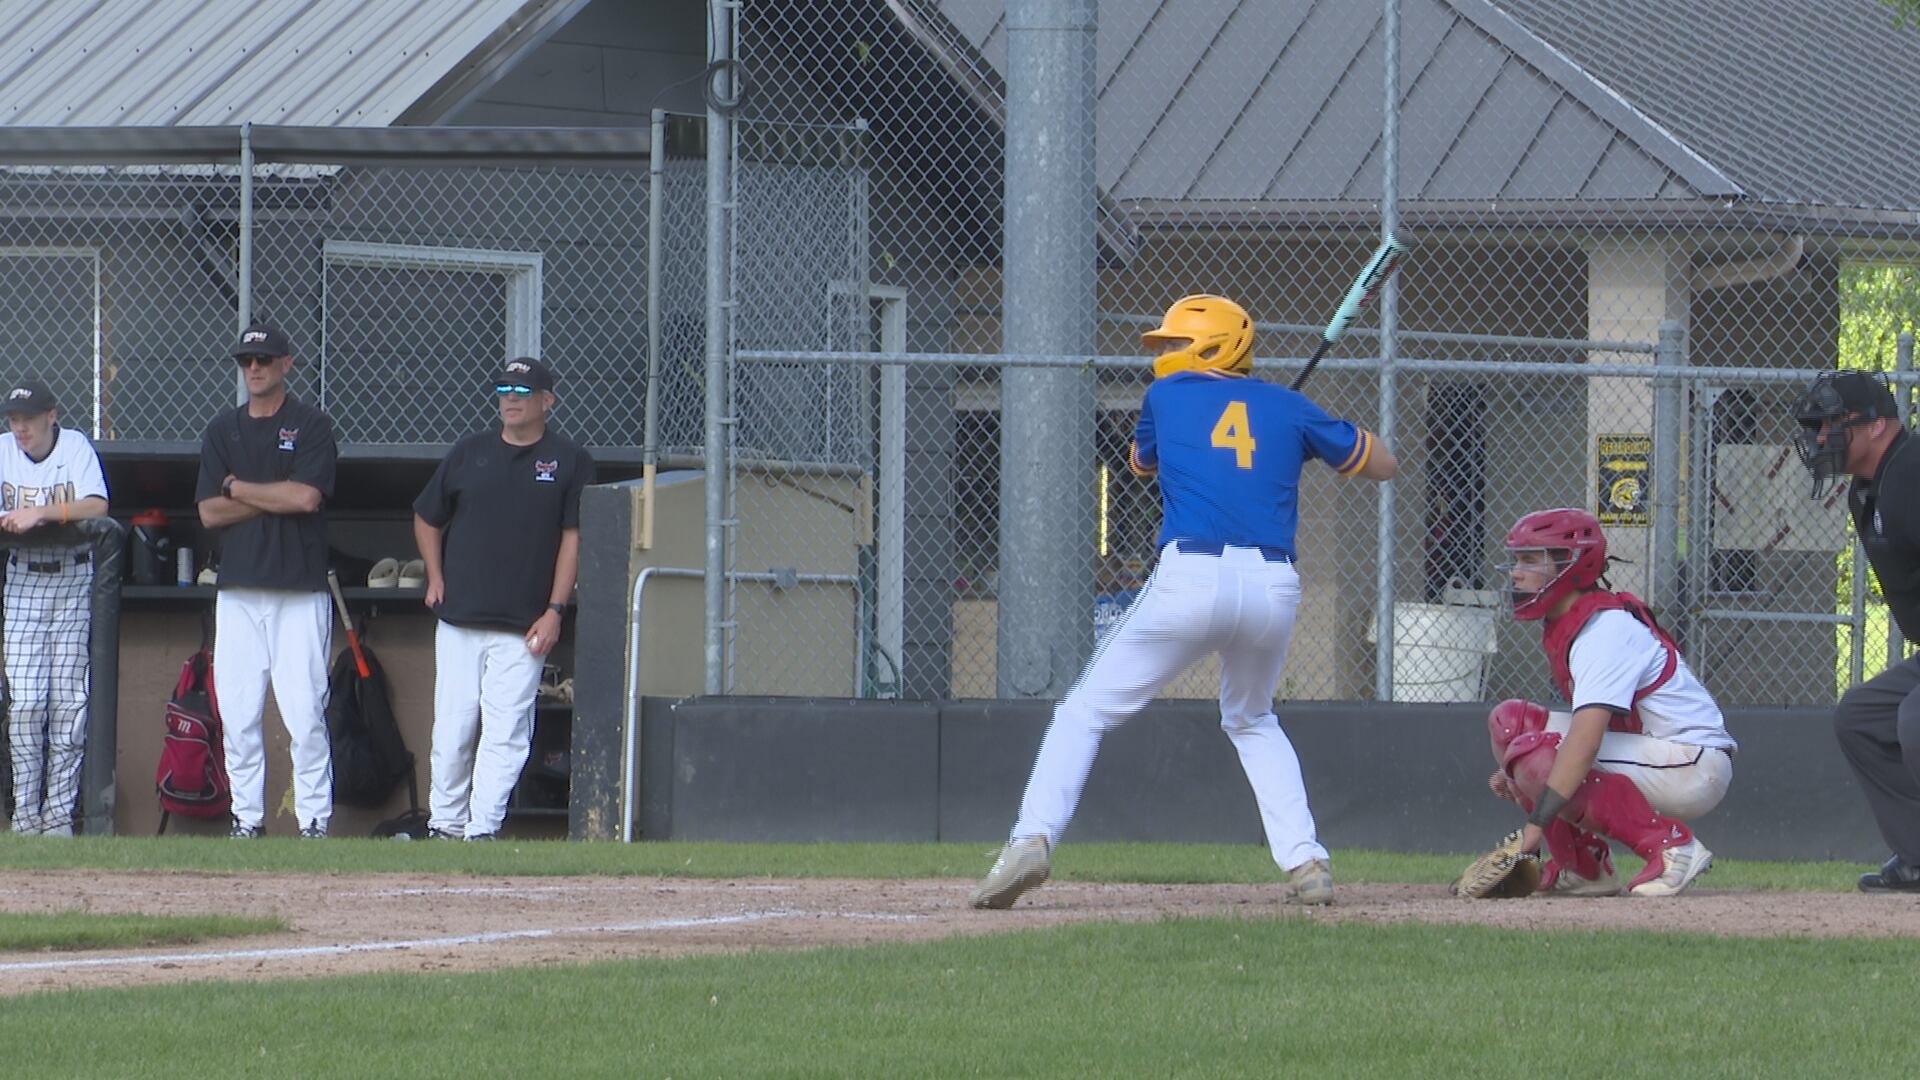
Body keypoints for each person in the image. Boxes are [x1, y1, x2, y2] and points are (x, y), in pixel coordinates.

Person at [970, 294, 1396, 909]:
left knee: (1083, 711)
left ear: (1215, 345)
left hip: (1193, 574)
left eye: (1175, 344)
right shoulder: (1289, 407)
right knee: (1253, 718)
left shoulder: (1165, 399)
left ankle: (1032, 837)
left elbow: (1142, 466)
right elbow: (1382, 463)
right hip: (1272, 588)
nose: (1165, 354)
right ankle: (1307, 861)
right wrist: (1302, 428)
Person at [1483, 507, 1736, 897]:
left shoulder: (1604, 629)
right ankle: (1585, 869)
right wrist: (1520, 772)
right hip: (1654, 750)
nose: (1516, 572)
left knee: (1537, 752)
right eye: (1516, 559)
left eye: (1531, 559)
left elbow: (1584, 744)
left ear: (1571, 564)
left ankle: (1672, 845)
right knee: (1511, 723)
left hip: (1692, 762)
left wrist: (1533, 819)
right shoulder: (1575, 621)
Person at [413, 358, 592, 841]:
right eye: (504, 389)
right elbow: (427, 517)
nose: (510, 398)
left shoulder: (570, 459)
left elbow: (572, 537)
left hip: (525, 625)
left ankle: (482, 828)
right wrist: (434, 577)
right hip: (459, 619)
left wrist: (556, 609)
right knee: (452, 731)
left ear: (547, 400)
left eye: (522, 390)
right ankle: (444, 826)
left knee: (506, 731)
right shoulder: (470, 452)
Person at [196, 323, 338, 839]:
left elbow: (306, 499)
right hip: (237, 590)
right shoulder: (222, 429)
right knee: (238, 715)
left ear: (286, 364)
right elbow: (209, 512)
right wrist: (265, 496)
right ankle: (247, 820)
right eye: (246, 361)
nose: (253, 368)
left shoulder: (312, 424)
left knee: (304, 715)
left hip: (298, 591)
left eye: (264, 359)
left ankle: (315, 820)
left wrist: (237, 488)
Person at [1794, 371, 1920, 892]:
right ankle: (1916, 856)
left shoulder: (1913, 473)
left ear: (1876, 425)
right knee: (1862, 717)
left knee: (1916, 718)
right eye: (1817, 427)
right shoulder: (1868, 490)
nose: (1821, 437)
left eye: (1831, 424)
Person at [0, 378, 108, 836]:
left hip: (72, 579)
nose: (20, 428)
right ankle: (25, 817)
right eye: (14, 419)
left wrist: (43, 513)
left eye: (28, 419)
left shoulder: (76, 447)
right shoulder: (3, 449)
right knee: (25, 703)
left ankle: (59, 817)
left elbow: (98, 506)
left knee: (69, 703)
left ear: (51, 416)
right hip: (23, 578)